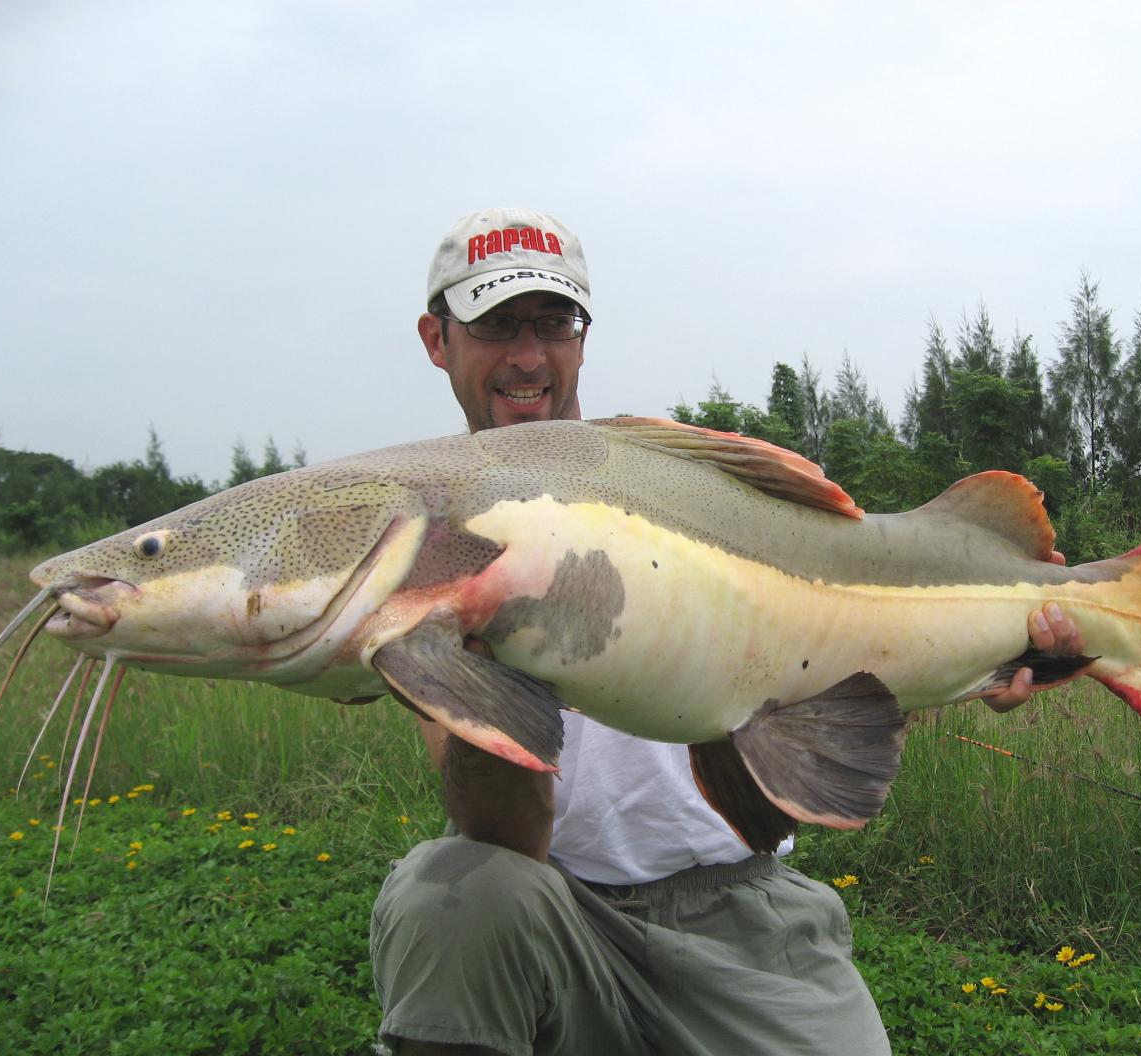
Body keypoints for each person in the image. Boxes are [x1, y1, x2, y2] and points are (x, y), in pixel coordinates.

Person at [369, 207, 1083, 1055]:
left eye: (554, 322)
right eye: (495, 324)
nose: (528, 356)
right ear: (437, 338)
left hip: (745, 909)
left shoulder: (677, 477)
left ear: (582, 338)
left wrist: (978, 658)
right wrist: (473, 653)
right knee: (447, 891)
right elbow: (510, 837)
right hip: (552, 911)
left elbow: (836, 675)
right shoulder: (419, 530)